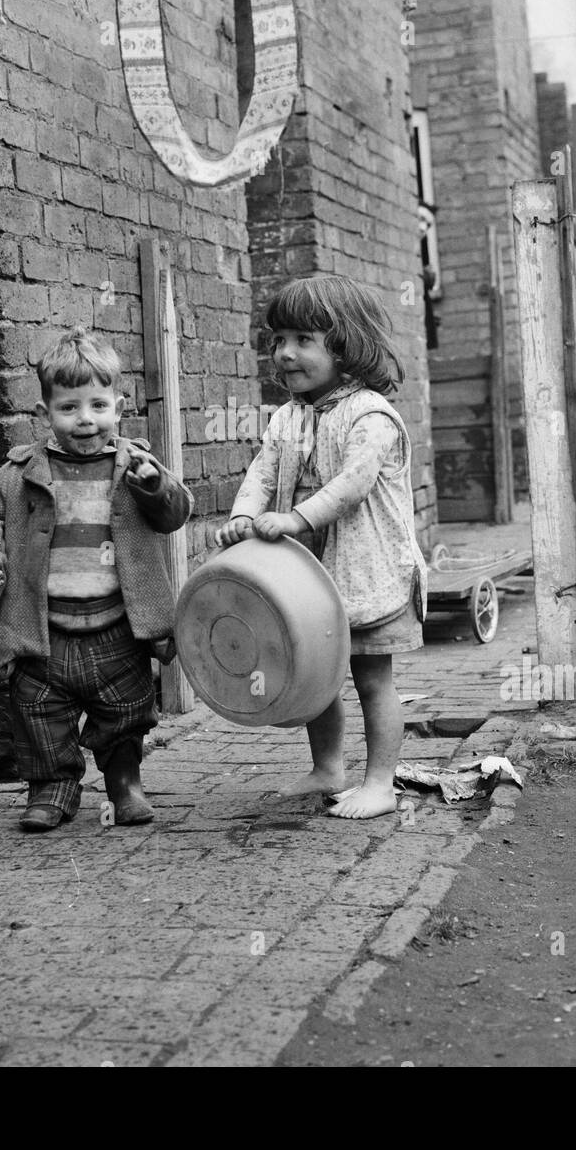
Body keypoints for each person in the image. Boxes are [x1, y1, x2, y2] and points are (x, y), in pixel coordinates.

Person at [0, 327, 192, 832]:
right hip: (44, 629)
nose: (86, 419)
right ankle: (52, 787)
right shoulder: (16, 474)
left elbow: (176, 514)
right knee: (40, 711)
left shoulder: (136, 465)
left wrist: (156, 489)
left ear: (119, 405)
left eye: (98, 405)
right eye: (69, 408)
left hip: (117, 624)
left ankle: (124, 782)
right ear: (44, 414)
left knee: (127, 710)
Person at [217, 275, 427, 819]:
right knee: (319, 674)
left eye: (302, 339)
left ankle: (380, 783)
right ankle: (328, 768)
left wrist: (292, 519)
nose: (285, 353)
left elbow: (351, 486)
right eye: (279, 339)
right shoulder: (289, 416)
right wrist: (243, 517)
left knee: (373, 679)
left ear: (348, 343)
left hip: (367, 570)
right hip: (311, 574)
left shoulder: (372, 414)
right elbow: (262, 472)